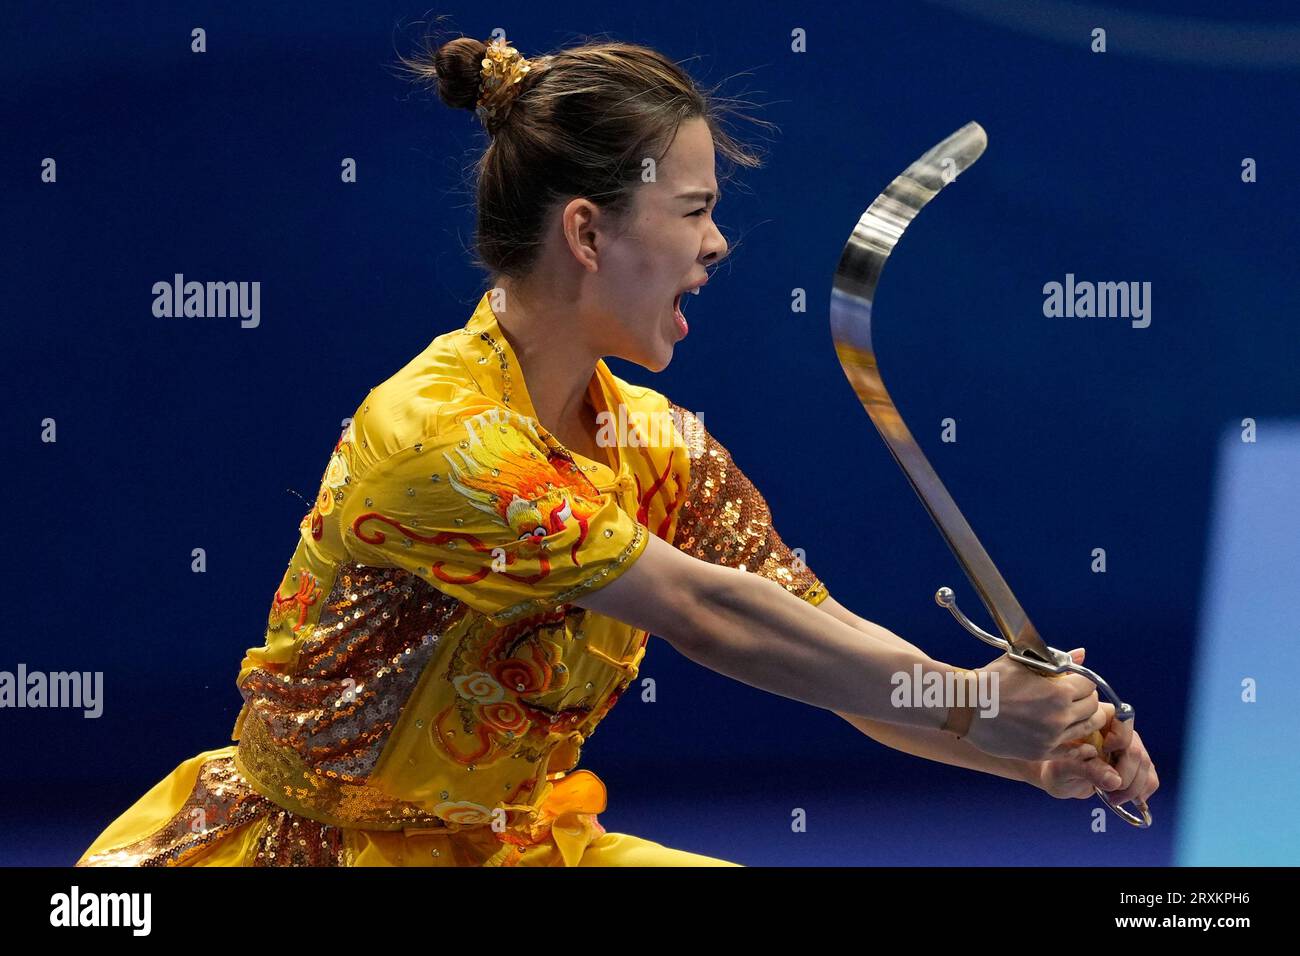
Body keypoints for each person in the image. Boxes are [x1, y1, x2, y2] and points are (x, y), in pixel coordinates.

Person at [76, 32, 1157, 868]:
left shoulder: (659, 450)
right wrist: (974, 700)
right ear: (588, 234)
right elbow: (709, 614)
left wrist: (1026, 742)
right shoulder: (442, 438)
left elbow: (827, 655)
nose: (718, 243)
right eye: (693, 211)